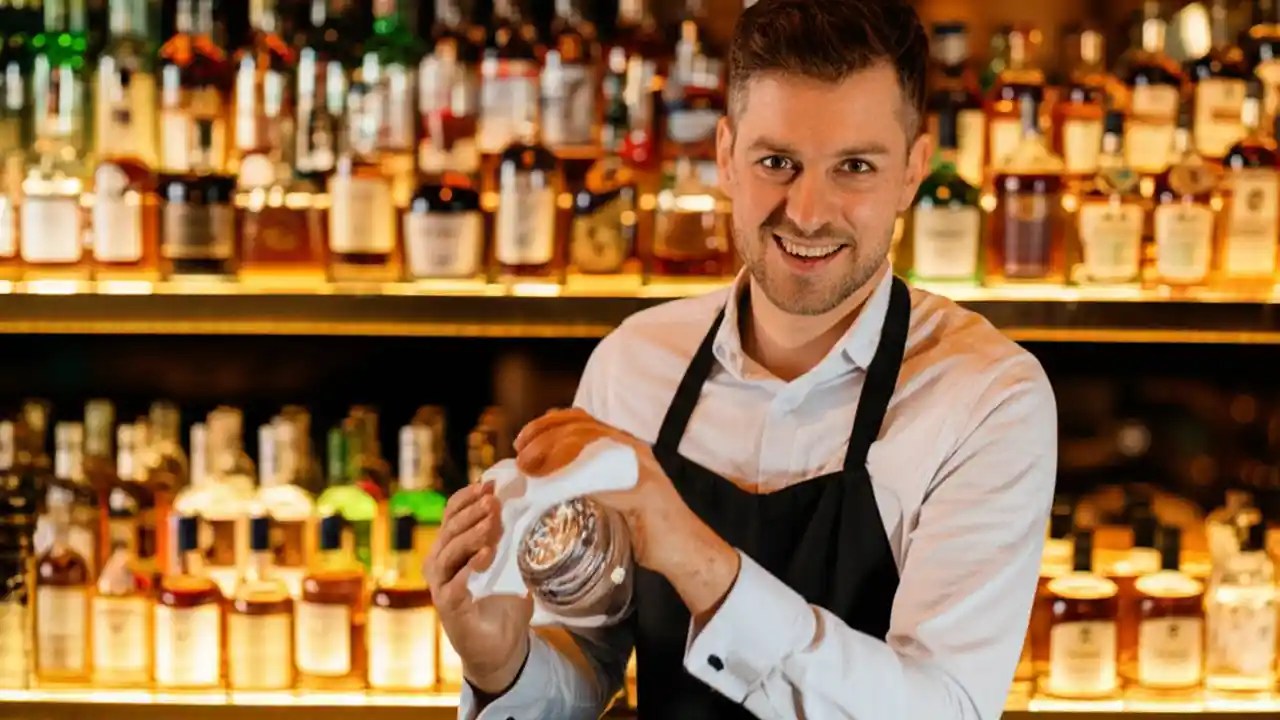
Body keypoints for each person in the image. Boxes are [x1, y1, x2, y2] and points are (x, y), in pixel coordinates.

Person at [425, 1, 1058, 718]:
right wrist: (502, 661)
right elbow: (589, 665)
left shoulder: (986, 398)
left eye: (854, 166)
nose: (809, 211)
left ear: (912, 170)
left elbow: (943, 708)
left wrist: (694, 556)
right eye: (777, 162)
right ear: (726, 156)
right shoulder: (635, 363)